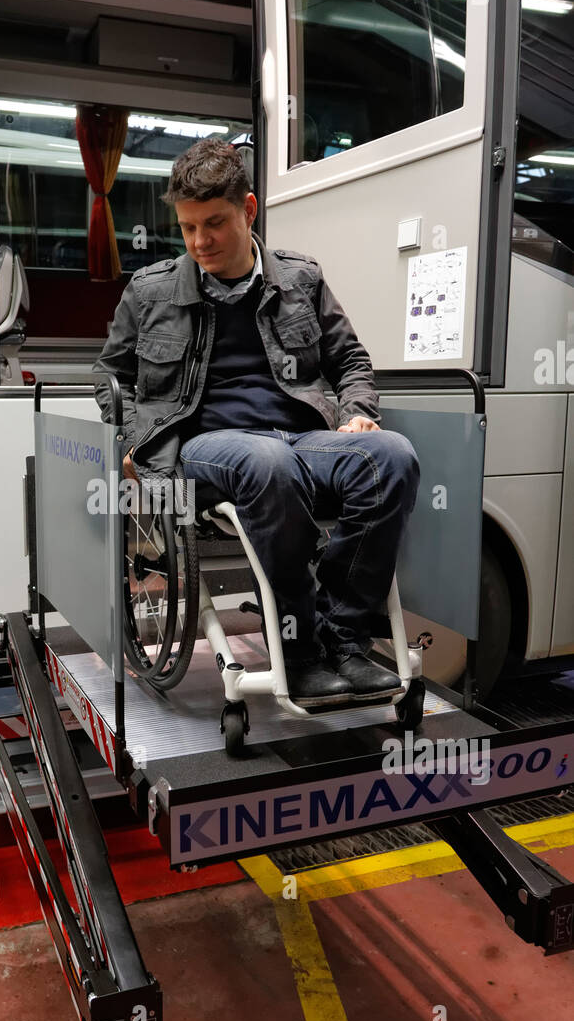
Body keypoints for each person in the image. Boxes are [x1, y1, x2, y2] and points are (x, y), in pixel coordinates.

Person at [93, 137, 419, 705]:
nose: (200, 242)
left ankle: (345, 639)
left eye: (214, 224)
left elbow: (350, 361)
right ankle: (298, 647)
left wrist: (361, 411)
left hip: (303, 437)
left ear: (248, 210)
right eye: (188, 227)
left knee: (391, 457)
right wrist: (129, 441)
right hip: (203, 447)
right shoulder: (150, 292)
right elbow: (109, 376)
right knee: (268, 462)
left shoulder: (301, 280)